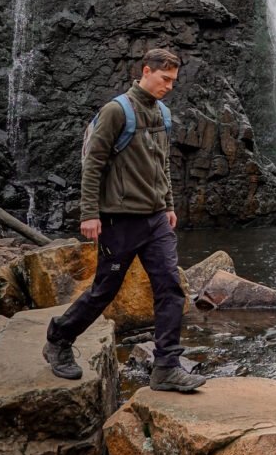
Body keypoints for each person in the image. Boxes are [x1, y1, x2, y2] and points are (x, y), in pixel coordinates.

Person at [43, 47, 204, 392]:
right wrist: (89, 214)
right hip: (120, 221)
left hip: (157, 219)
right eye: (165, 79)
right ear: (146, 71)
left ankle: (166, 368)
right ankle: (58, 338)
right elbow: (93, 164)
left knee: (170, 288)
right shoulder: (116, 111)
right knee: (105, 290)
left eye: (174, 80)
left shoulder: (162, 112)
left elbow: (161, 164)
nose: (170, 86)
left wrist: (169, 204)